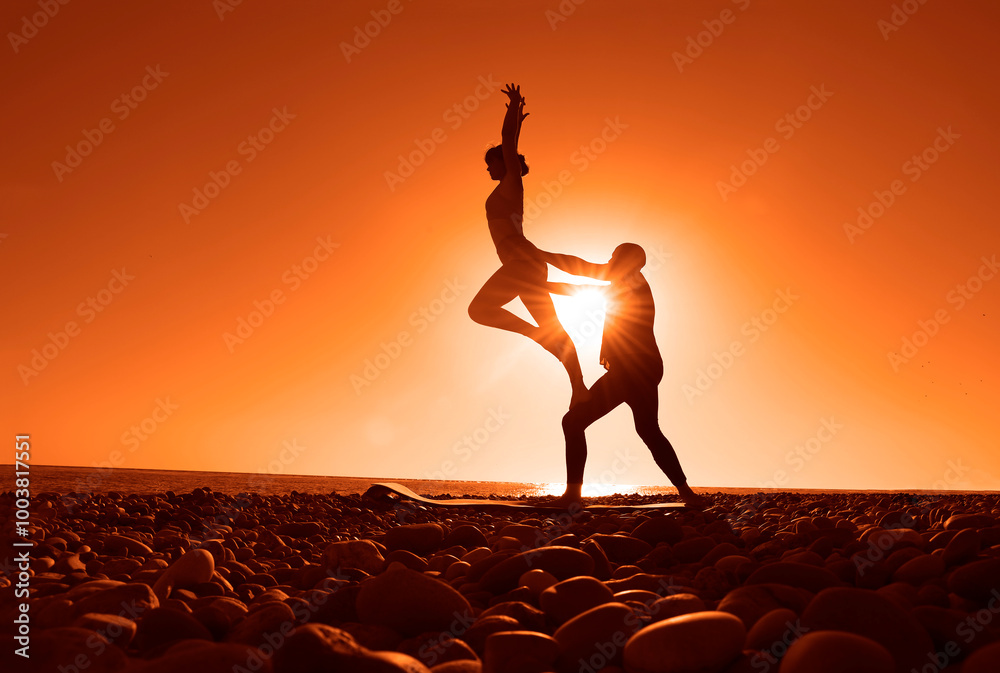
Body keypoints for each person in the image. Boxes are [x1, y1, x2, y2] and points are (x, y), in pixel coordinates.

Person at [537, 243, 707, 509]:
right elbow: (583, 273)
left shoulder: (630, 280)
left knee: (573, 422)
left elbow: (583, 277)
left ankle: (572, 496)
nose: (610, 260)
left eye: (614, 256)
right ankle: (687, 494)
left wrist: (541, 267)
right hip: (641, 368)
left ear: (629, 261)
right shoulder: (627, 281)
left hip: (633, 369)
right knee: (649, 431)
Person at [467, 83, 589, 408]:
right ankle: (580, 389)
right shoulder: (508, 188)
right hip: (525, 263)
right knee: (555, 332)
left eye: (490, 162)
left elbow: (508, 143)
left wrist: (513, 111)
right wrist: (518, 118)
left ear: (504, 165)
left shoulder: (511, 184)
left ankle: (534, 333)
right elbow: (509, 145)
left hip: (523, 261)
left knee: (479, 310)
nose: (487, 167)